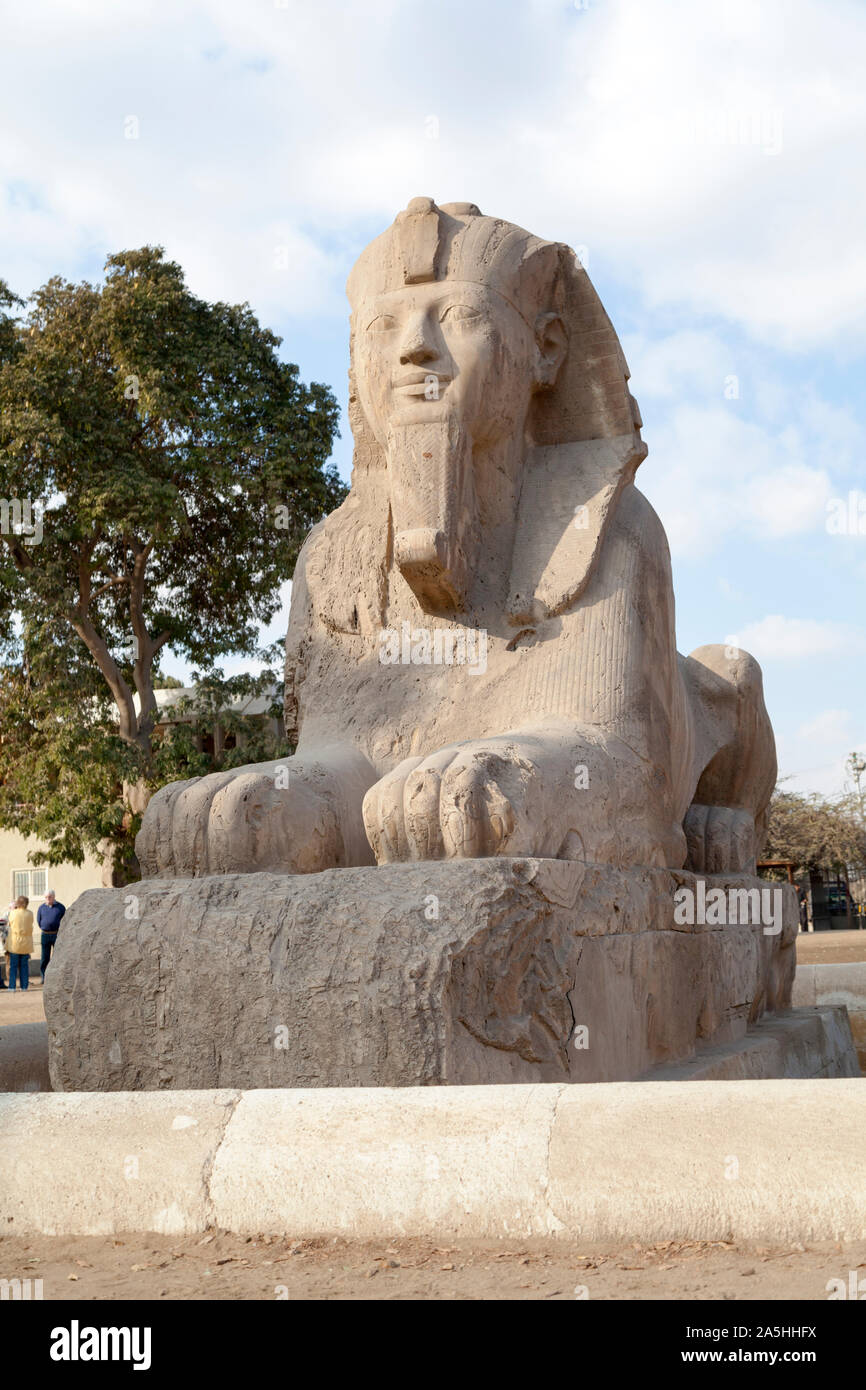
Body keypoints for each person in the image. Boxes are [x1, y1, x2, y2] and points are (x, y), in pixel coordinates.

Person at [7, 896, 34, 993]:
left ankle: (12, 986)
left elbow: (10, 924)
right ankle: (24, 986)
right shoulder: (30, 914)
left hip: (15, 942)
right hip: (26, 943)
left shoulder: (13, 913)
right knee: (24, 966)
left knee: (13, 966)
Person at [37, 889, 66, 978]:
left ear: (54, 897)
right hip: (45, 934)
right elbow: (39, 920)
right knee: (44, 957)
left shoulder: (60, 907)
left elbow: (65, 920)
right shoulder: (41, 908)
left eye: (50, 897)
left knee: (58, 956)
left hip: (57, 934)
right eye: (46, 897)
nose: (48, 899)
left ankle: (57, 977)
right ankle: (44, 977)